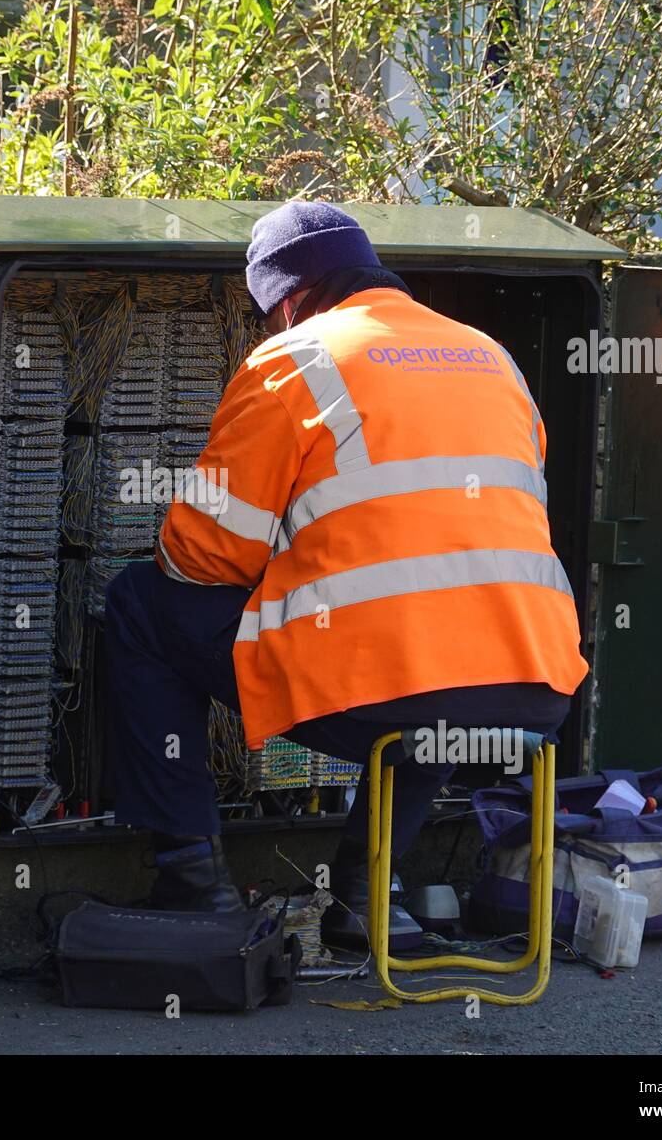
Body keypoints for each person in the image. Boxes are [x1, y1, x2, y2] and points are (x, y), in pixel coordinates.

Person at [104, 201, 588, 941]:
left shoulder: (295, 359)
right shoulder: (491, 356)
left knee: (140, 604)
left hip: (384, 692)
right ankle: (367, 895)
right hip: (533, 691)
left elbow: (208, 552)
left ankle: (191, 881)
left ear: (291, 301)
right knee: (437, 658)